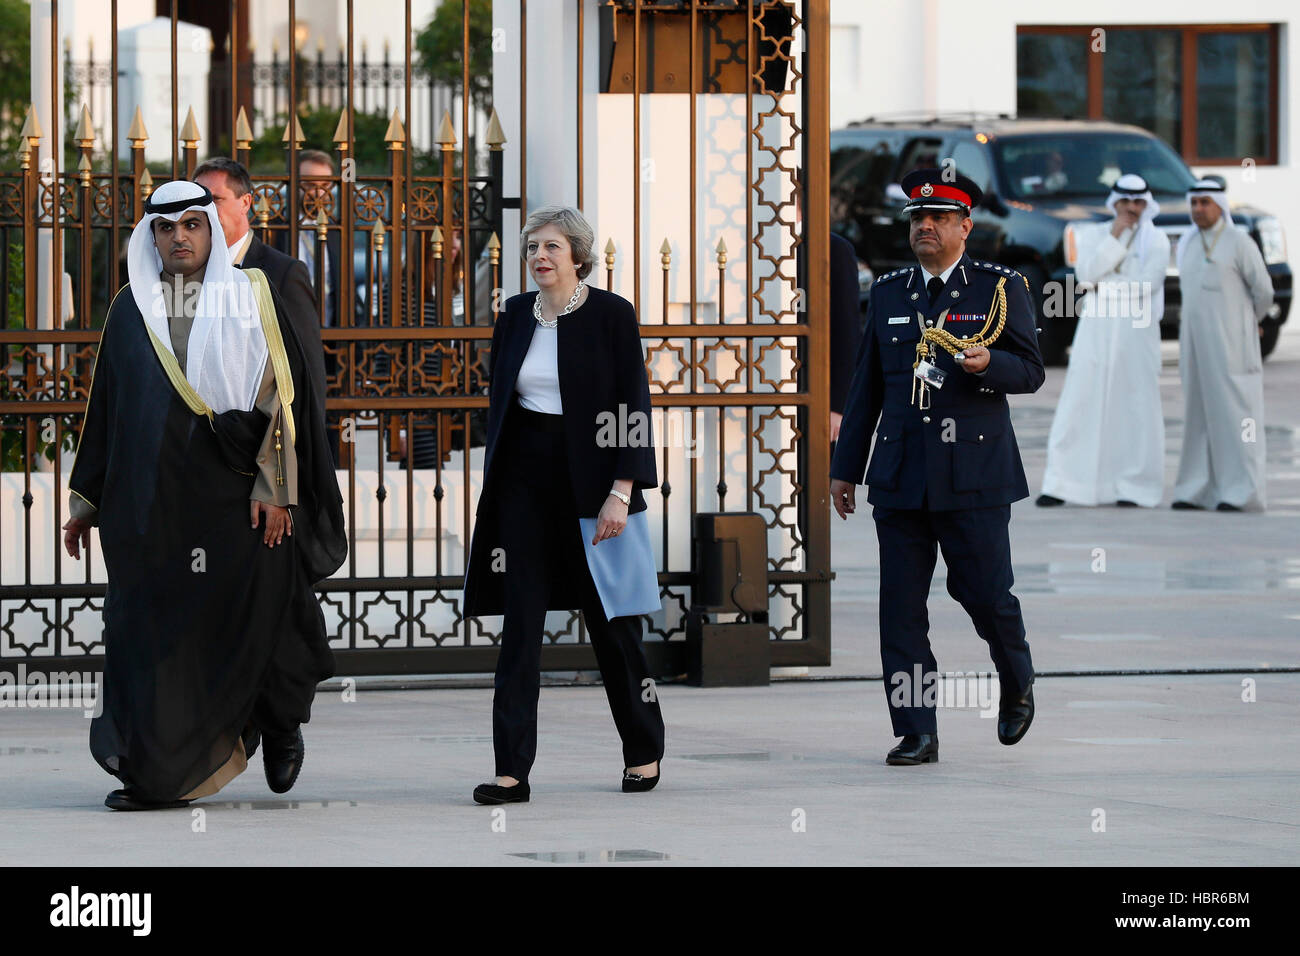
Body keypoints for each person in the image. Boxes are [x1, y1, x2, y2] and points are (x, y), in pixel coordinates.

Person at [61, 180, 346, 810]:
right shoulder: (129, 307)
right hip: (148, 507)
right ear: (151, 236)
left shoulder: (251, 296)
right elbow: (106, 410)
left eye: (193, 224)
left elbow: (280, 399)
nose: (180, 237)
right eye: (167, 227)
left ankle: (275, 722)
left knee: (248, 621)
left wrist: (277, 489)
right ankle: (160, 773)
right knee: (151, 633)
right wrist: (86, 505)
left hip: (234, 498)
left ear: (211, 231)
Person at [828, 168, 1044, 765]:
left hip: (974, 475)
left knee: (984, 593)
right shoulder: (893, 291)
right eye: (918, 219)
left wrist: (986, 365)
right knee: (900, 609)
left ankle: (1016, 675)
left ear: (965, 226)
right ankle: (916, 728)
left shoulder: (1000, 288)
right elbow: (866, 385)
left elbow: (1030, 371)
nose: (925, 227)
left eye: (940, 219)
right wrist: (845, 468)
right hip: (900, 476)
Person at [461, 204, 665, 804]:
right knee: (521, 630)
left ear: (578, 254)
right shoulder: (515, 314)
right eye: (532, 249)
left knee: (613, 627)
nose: (540, 258)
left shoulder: (610, 314)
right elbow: (504, 402)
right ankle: (511, 771)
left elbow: (633, 405)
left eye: (551, 247)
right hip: (526, 484)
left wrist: (621, 494)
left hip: (595, 487)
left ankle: (644, 749)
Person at [1038, 173, 1169, 508]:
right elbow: (1085, 275)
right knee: (1081, 399)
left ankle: (1133, 487)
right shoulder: (1093, 234)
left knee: (1134, 404)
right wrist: (1115, 236)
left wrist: (1104, 287)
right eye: (1125, 202)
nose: (1131, 209)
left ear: (1146, 204)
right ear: (1115, 203)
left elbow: (1147, 285)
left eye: (1138, 202)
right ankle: (1065, 484)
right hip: (1095, 328)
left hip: (1135, 332)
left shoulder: (1157, 241)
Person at [193, 157, 328, 415]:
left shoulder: (284, 273)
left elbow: (307, 371)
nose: (205, 211)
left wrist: (303, 450)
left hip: (260, 440)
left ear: (245, 203)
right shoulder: (186, 270)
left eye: (215, 200)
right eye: (199, 203)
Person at [1171, 178, 1273, 512]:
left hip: (1233, 347)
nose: (1198, 209)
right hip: (1195, 348)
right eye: (1194, 203)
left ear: (1220, 205)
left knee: (1237, 419)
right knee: (1198, 418)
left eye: (1205, 202)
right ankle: (1196, 491)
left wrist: (1248, 323)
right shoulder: (1188, 243)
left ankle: (1240, 493)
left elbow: (1264, 292)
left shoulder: (1239, 241)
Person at [276, 149, 342, 330]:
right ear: (292, 183)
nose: (319, 193)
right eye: (310, 184)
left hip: (329, 340)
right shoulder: (272, 229)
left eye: (326, 185)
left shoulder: (336, 231)